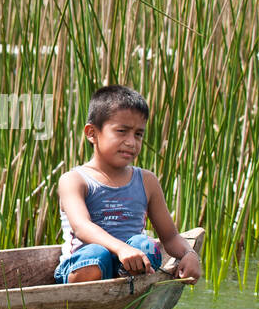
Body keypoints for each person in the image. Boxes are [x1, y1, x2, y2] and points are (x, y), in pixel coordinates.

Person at [55, 85, 202, 284]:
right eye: (121, 131)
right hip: (82, 268)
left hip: (129, 268)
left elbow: (169, 237)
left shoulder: (146, 181)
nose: (131, 142)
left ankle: (122, 282)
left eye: (138, 134)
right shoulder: (74, 180)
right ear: (92, 133)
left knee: (144, 244)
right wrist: (120, 248)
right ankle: (110, 285)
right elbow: (82, 227)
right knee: (97, 254)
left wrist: (189, 254)